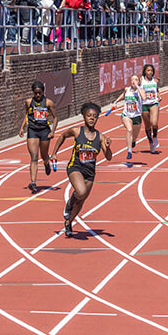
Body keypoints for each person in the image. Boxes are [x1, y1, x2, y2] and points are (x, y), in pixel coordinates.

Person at [53, 102, 113, 238]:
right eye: (89, 116)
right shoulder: (76, 131)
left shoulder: (101, 137)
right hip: (75, 167)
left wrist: (108, 147)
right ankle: (69, 203)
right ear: (84, 117)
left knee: (82, 200)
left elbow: (108, 157)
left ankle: (68, 222)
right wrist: (54, 153)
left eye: (94, 116)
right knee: (80, 192)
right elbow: (62, 136)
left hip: (90, 172)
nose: (92, 118)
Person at [18, 81, 58, 193]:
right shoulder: (28, 102)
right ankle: (33, 182)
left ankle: (46, 163)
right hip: (32, 130)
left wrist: (53, 131)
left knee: (44, 155)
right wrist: (22, 127)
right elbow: (26, 114)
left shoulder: (48, 103)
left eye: (39, 93)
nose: (38, 95)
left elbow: (55, 118)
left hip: (44, 130)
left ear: (43, 92)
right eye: (35, 93)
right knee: (34, 156)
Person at [112, 74, 145, 160]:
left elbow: (144, 98)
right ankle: (129, 151)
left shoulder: (141, 90)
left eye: (136, 79)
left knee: (134, 136)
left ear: (139, 81)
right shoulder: (127, 89)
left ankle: (133, 141)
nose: (134, 81)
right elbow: (123, 95)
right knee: (129, 130)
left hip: (137, 116)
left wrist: (138, 87)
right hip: (126, 115)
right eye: (132, 80)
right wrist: (115, 102)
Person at [140, 63, 161, 153]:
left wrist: (159, 96)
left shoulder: (155, 81)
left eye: (151, 71)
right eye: (148, 70)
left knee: (154, 123)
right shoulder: (141, 81)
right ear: (145, 71)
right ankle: (150, 142)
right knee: (147, 126)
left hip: (153, 103)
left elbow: (157, 91)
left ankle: (155, 136)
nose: (150, 72)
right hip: (144, 104)